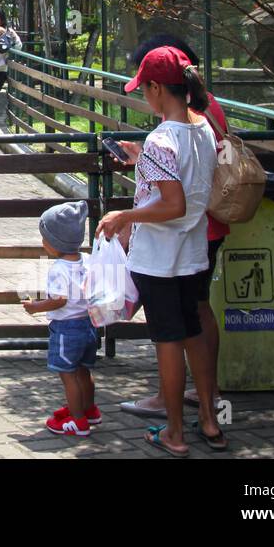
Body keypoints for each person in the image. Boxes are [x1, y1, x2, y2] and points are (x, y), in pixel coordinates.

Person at [98, 45, 224, 455]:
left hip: (160, 260)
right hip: (193, 253)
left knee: (168, 342)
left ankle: (174, 433)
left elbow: (173, 203)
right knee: (193, 335)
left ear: (156, 88)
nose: (143, 96)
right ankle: (209, 420)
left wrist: (124, 217)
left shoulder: (160, 139)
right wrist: (141, 164)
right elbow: (184, 186)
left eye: (144, 89)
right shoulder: (203, 128)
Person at [23, 200, 100, 437]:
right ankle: (89, 410)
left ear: (56, 243)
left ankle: (77, 422)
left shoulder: (58, 269)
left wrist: (35, 307)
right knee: (84, 371)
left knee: (68, 375)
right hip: (88, 325)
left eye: (45, 238)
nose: (42, 242)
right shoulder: (86, 260)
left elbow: (59, 300)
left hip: (67, 329)